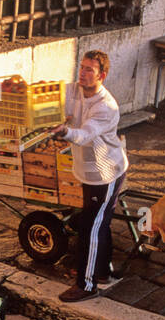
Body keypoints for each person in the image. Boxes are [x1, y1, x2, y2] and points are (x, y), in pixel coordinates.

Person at [51, 50, 128, 302]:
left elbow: (84, 135)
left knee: (91, 228)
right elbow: (50, 98)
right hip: (87, 172)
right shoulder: (72, 90)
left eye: (89, 70)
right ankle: (103, 272)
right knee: (98, 222)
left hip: (106, 174)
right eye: (81, 67)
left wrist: (64, 132)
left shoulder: (106, 106)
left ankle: (87, 285)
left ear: (102, 75)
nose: (82, 73)